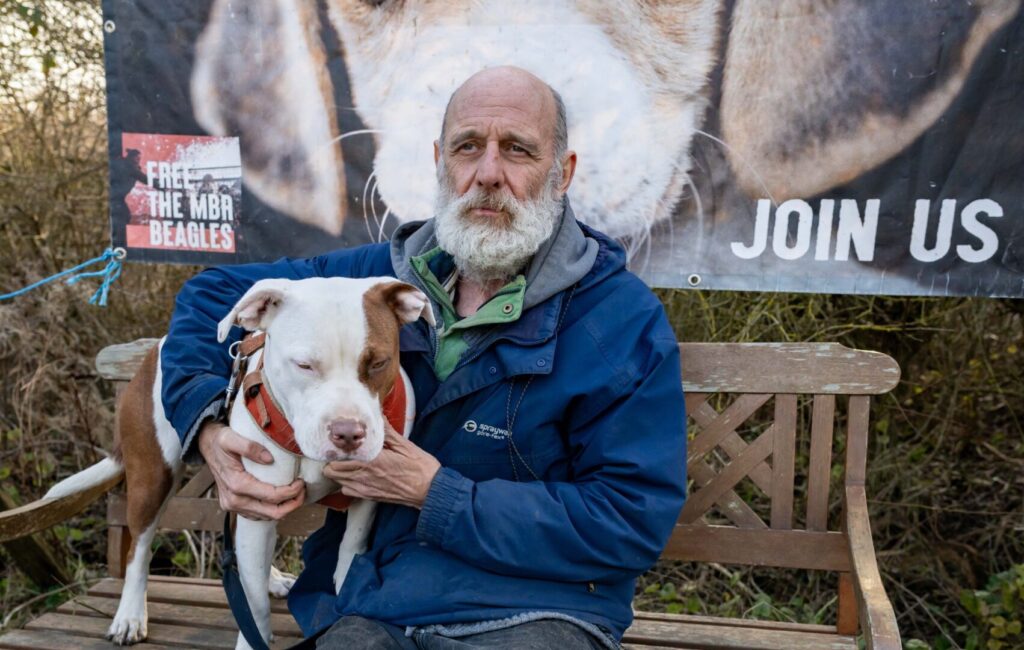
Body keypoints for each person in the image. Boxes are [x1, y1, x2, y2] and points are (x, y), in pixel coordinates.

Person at [160, 66, 687, 649]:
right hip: (371, 600)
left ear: (561, 173)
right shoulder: (370, 284)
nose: (488, 174)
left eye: (517, 150)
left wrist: (438, 494)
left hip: (540, 609)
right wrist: (208, 427)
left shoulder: (620, 320)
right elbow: (207, 294)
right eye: (467, 147)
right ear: (441, 161)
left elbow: (630, 520)